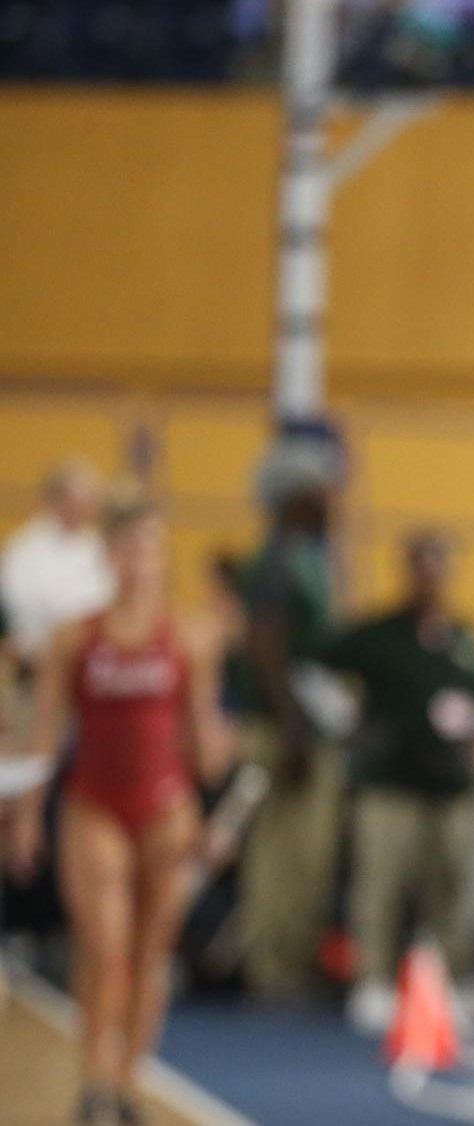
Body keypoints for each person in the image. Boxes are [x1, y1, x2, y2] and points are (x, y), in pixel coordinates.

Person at [7, 491, 230, 1126]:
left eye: (151, 548)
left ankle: (130, 1079)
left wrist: (212, 805)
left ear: (162, 558)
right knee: (106, 949)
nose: (141, 561)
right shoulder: (75, 636)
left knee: (152, 952)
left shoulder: (189, 633)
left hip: (167, 807)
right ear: (109, 555)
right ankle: (93, 1080)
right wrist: (26, 815)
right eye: (129, 547)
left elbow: (200, 736)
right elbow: (46, 731)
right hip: (94, 806)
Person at [318, 529, 474, 1033]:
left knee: (451, 886)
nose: (430, 577)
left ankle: (447, 984)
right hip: (390, 783)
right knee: (380, 884)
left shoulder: (465, 639)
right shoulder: (378, 635)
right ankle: (373, 982)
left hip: (450, 785)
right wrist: (345, 723)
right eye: (421, 565)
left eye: (438, 566)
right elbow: (315, 666)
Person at [235, 442, 344, 1001]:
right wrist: (292, 724)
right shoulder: (279, 559)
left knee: (307, 850)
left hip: (301, 720)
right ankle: (273, 967)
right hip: (284, 725)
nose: (330, 500)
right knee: (285, 849)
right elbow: (265, 645)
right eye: (318, 490)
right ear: (293, 498)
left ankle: (289, 961)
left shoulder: (305, 555)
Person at [0, 458, 114, 672]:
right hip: (35, 666)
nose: (88, 504)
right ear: (55, 498)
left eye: (92, 497)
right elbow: (18, 610)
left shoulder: (100, 546)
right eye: (81, 497)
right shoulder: (24, 549)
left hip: (93, 669)